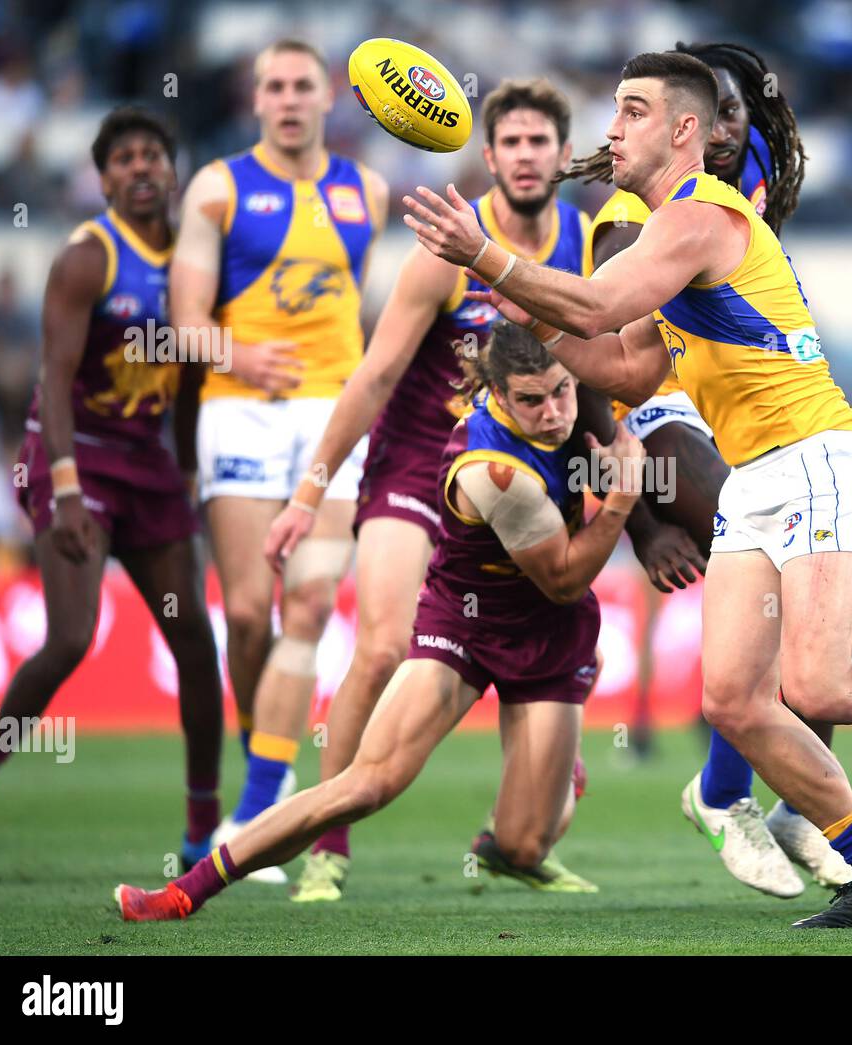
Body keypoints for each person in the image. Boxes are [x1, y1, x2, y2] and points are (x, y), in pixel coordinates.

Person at [401, 50, 852, 928]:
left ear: (683, 131)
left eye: (630, 110)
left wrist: (490, 257)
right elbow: (621, 361)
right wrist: (519, 307)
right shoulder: (667, 235)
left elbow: (591, 308)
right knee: (733, 698)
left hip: (819, 455)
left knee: (821, 688)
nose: (609, 128)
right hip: (760, 480)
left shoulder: (700, 217)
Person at [114, 322, 647, 920]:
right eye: (531, 399)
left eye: (561, 392)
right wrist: (623, 500)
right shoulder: (493, 469)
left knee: (524, 845)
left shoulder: (572, 407)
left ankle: (545, 784)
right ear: (495, 392)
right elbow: (565, 578)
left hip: (550, 639)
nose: (552, 413)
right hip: (465, 631)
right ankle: (188, 890)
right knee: (363, 787)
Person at [263, 78, 602, 900]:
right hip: (420, 463)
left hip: (530, 476)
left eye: (540, 142)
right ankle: (326, 844)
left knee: (541, 660)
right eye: (511, 143)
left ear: (562, 156)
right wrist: (310, 494)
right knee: (381, 647)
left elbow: (604, 372)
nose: (526, 156)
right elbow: (375, 375)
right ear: (488, 157)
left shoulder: (590, 244)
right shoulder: (448, 247)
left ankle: (520, 833)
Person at [565, 40, 852, 897]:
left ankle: (785, 802)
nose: (725, 130)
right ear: (683, 127)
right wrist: (645, 523)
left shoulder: (751, 166)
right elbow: (601, 358)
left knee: (807, 615)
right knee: (781, 585)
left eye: (736, 112)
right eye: (712, 115)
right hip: (663, 402)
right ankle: (734, 797)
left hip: (733, 390)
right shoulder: (628, 220)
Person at [0, 107, 222, 869]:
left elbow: (192, 374)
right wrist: (68, 488)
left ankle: (201, 828)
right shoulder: (88, 257)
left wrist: (184, 469)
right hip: (74, 455)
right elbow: (49, 374)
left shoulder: (195, 261)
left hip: (148, 465)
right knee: (72, 637)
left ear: (172, 171)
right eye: (124, 158)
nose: (141, 167)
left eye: (153, 155)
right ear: (104, 176)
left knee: (196, 646)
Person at [170, 39, 388, 882]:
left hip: (332, 417)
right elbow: (184, 320)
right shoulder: (219, 187)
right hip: (238, 413)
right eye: (275, 87)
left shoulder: (364, 189)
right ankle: (269, 749)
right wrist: (240, 355)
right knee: (251, 613)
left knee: (306, 606)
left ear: (326, 96)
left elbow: (350, 309)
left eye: (304, 85)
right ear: (255, 98)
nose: (290, 99)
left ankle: (258, 802)